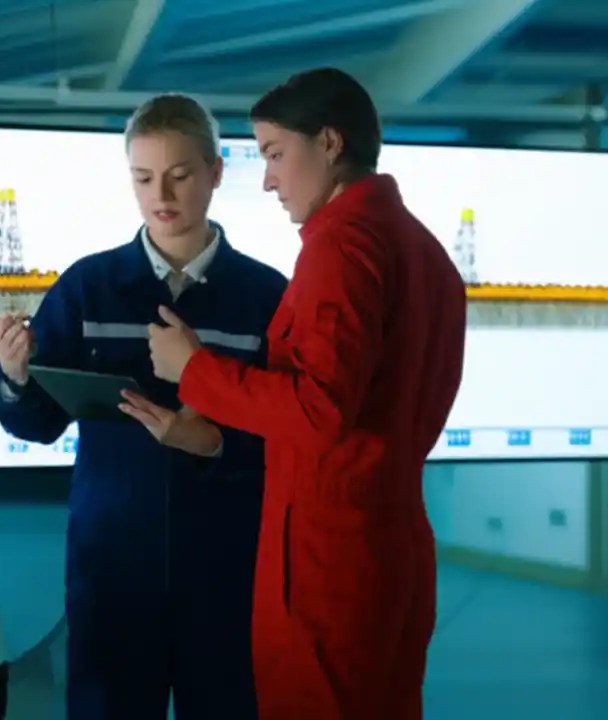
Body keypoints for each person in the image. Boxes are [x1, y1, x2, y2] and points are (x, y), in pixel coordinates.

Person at [144, 68, 467, 719]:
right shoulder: (424, 249)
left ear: (329, 143)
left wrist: (195, 371)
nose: (268, 180)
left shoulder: (341, 248)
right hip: (392, 541)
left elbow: (319, 409)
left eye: (274, 154)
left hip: (328, 557)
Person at [0, 94, 287, 719]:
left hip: (228, 570)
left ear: (216, 172)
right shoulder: (87, 287)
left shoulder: (267, 297)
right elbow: (37, 423)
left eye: (180, 175)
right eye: (144, 178)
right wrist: (14, 374)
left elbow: (291, 433)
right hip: (112, 570)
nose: (160, 196)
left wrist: (215, 442)